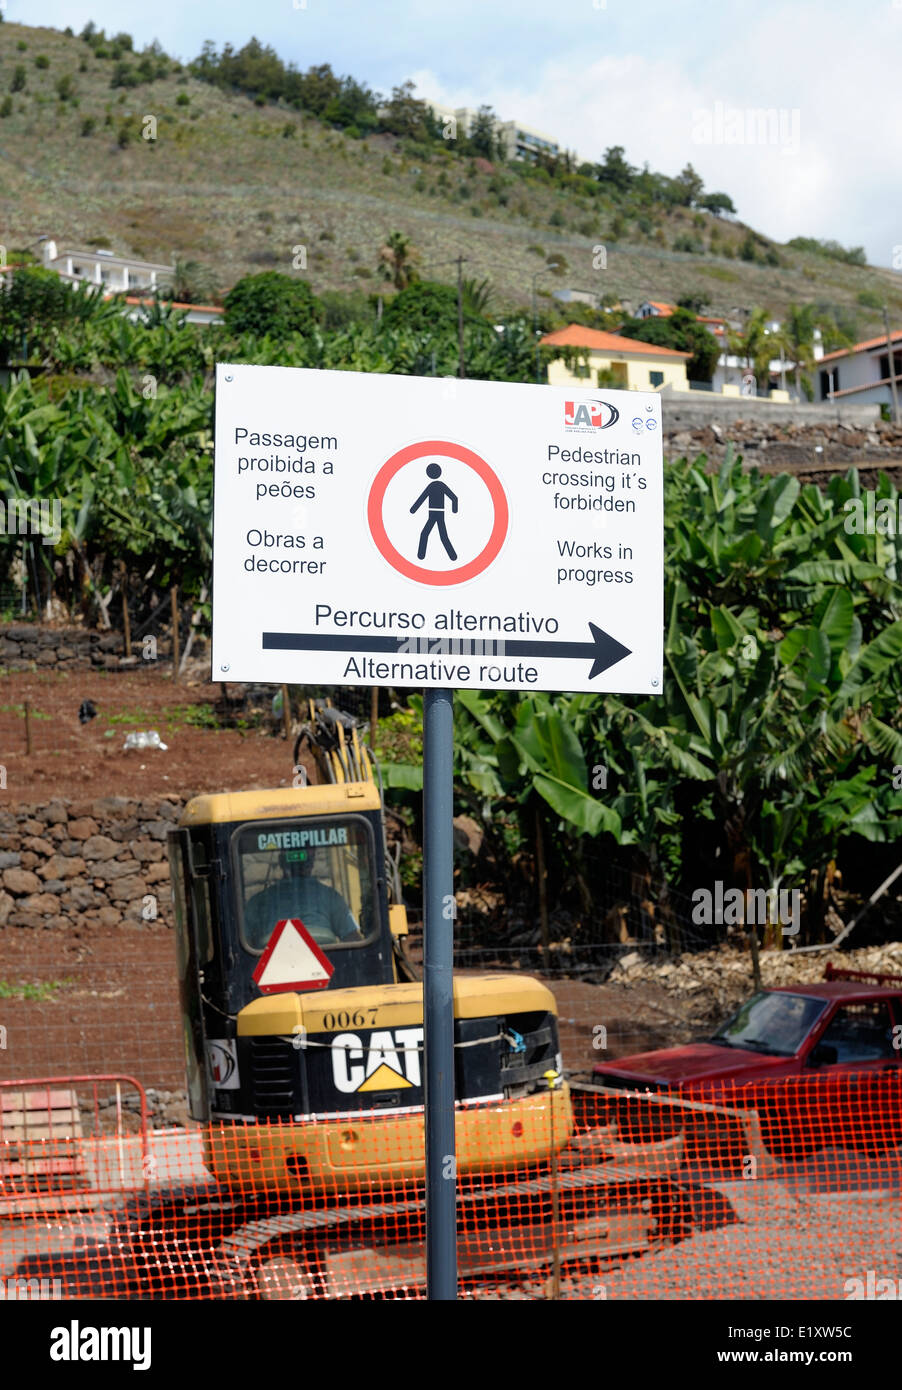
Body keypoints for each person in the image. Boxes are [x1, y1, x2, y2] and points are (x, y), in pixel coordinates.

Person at [244, 850, 362, 949]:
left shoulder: (258, 902)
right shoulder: (331, 897)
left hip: (270, 973)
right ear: (311, 863)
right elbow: (353, 941)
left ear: (280, 862)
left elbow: (245, 946)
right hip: (328, 971)